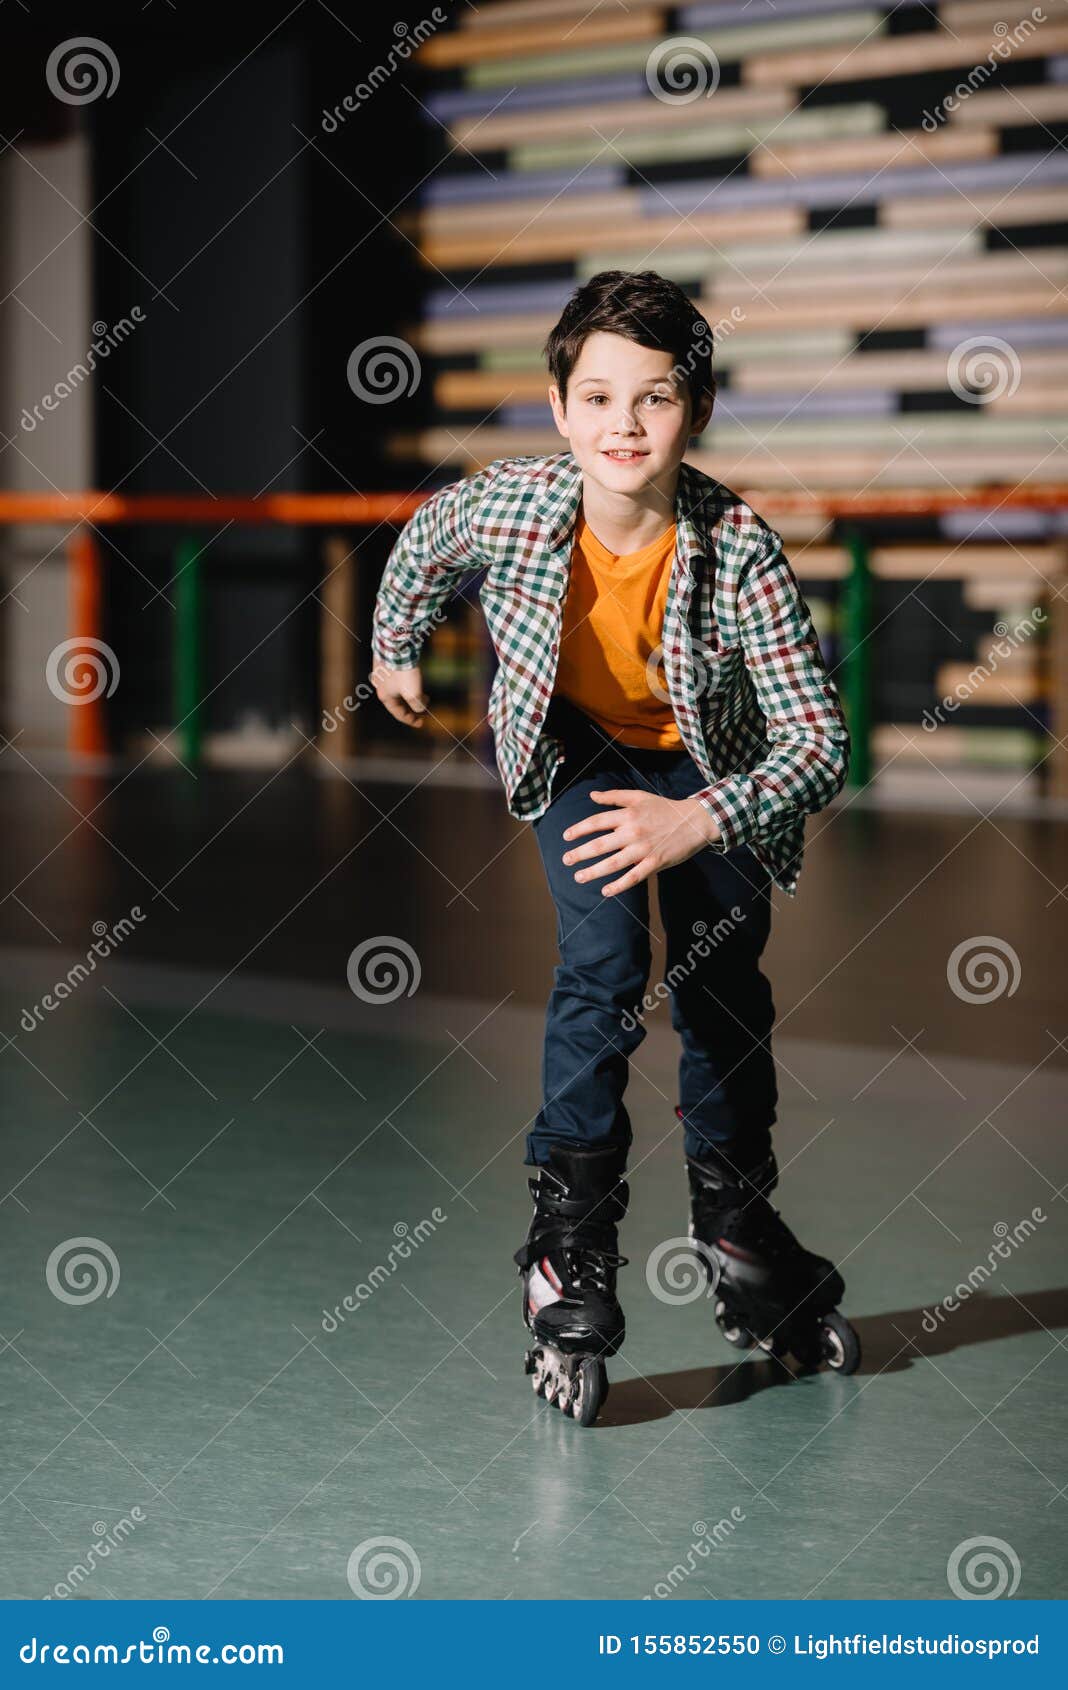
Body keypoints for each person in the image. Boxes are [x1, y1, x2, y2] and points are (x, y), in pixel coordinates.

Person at [371, 270, 859, 1423]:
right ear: (558, 409)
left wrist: (703, 815)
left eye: (654, 398)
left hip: (709, 769)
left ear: (696, 411)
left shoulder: (738, 546)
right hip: (582, 752)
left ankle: (738, 1223)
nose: (623, 426)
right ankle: (569, 1246)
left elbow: (820, 741)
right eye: (596, 397)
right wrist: (396, 641)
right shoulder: (513, 505)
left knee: (725, 988)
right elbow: (425, 542)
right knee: (601, 972)